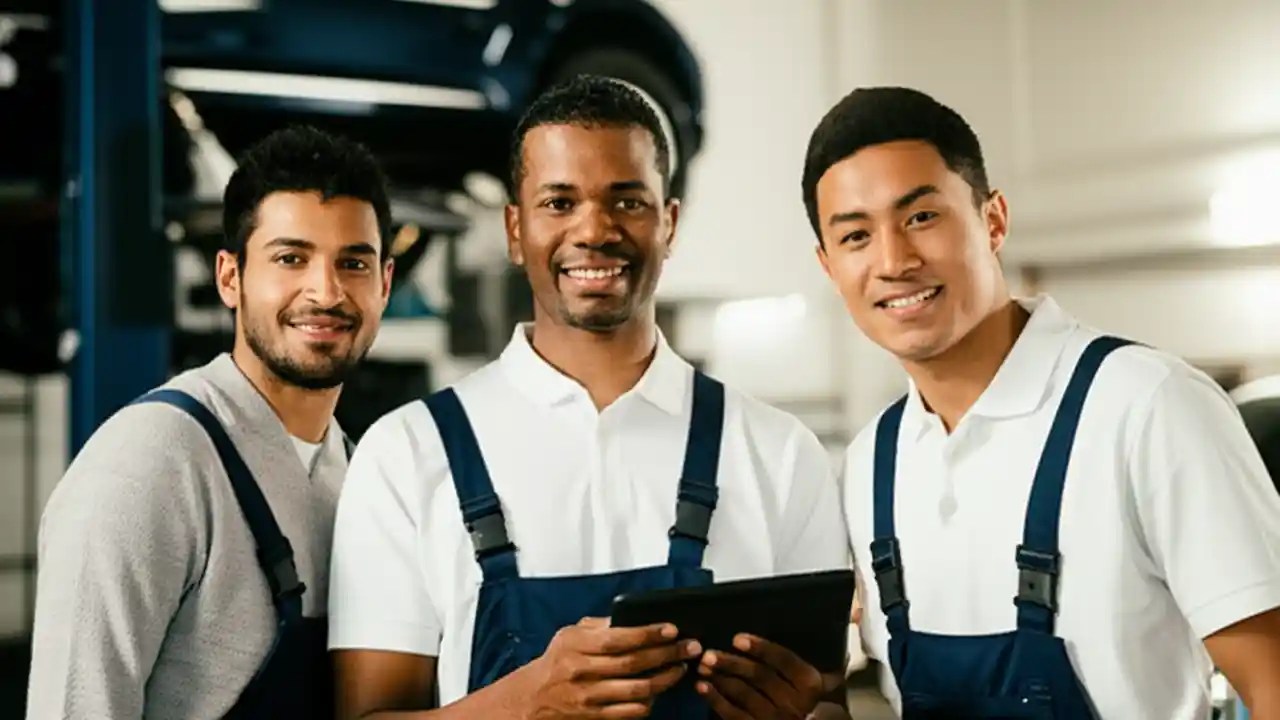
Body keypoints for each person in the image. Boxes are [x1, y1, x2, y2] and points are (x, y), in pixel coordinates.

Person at [328, 75, 852, 720]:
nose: (594, 229)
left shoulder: (780, 454)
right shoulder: (405, 454)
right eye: (559, 202)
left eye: (627, 201)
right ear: (516, 230)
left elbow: (830, 706)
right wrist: (524, 703)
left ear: (671, 223)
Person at [803, 85, 1280, 719]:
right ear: (829, 266)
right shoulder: (871, 465)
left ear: (993, 219)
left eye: (921, 217)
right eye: (856, 236)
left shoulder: (1148, 408)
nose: (894, 260)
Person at [26, 125, 395, 719]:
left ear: (384, 284)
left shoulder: (356, 474)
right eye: (290, 258)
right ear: (230, 277)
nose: (325, 291)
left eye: (352, 263)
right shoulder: (152, 459)